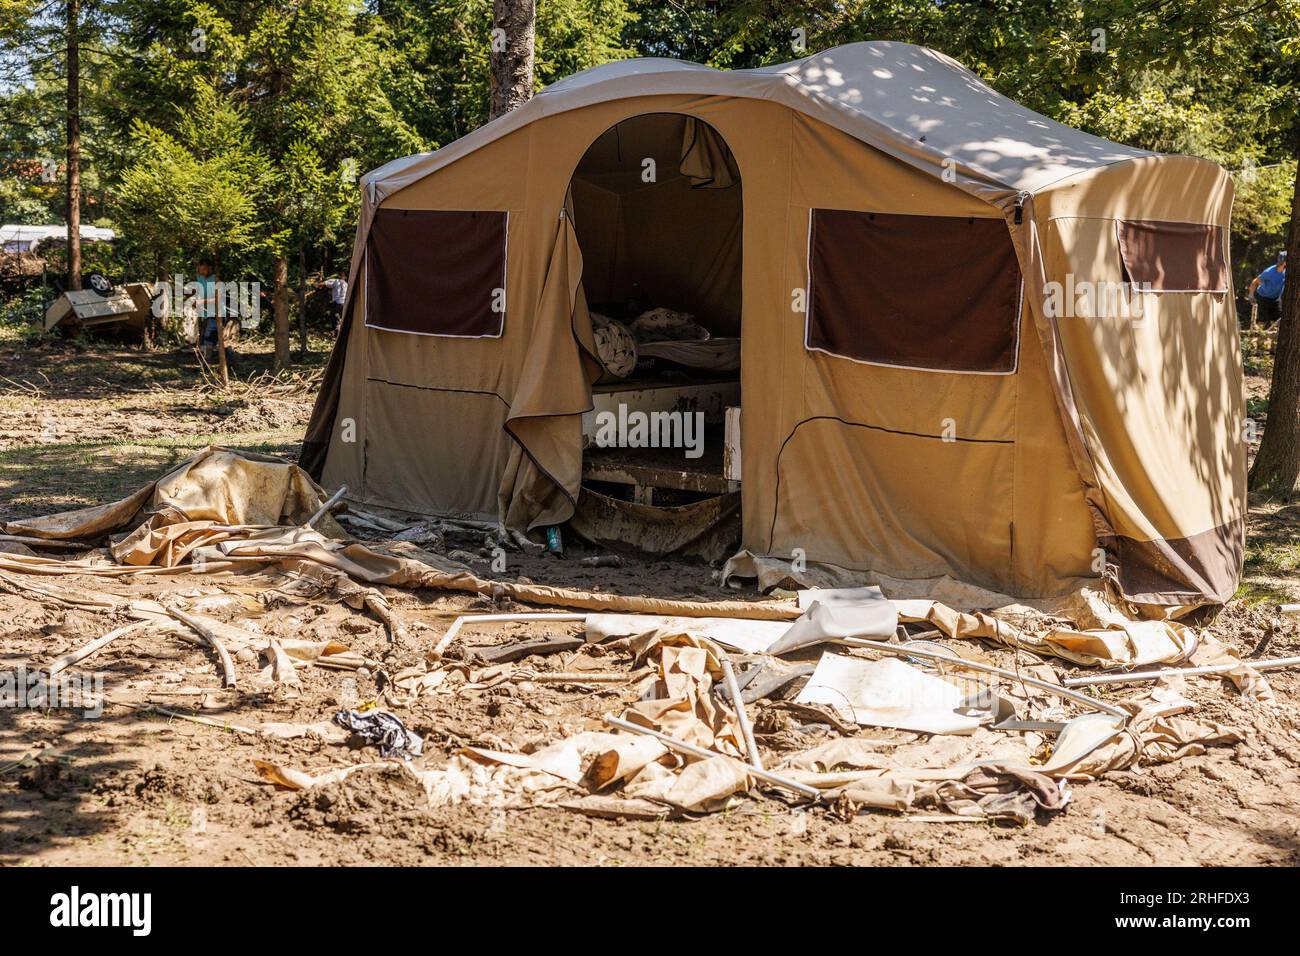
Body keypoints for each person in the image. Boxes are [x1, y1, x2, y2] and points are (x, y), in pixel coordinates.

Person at [1248, 250, 1286, 328]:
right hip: (1262, 297)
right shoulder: (1269, 272)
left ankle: (1272, 338)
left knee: (1277, 321)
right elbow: (1255, 281)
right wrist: (1251, 295)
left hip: (1275, 299)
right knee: (1262, 322)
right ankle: (1257, 337)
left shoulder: (1287, 272)